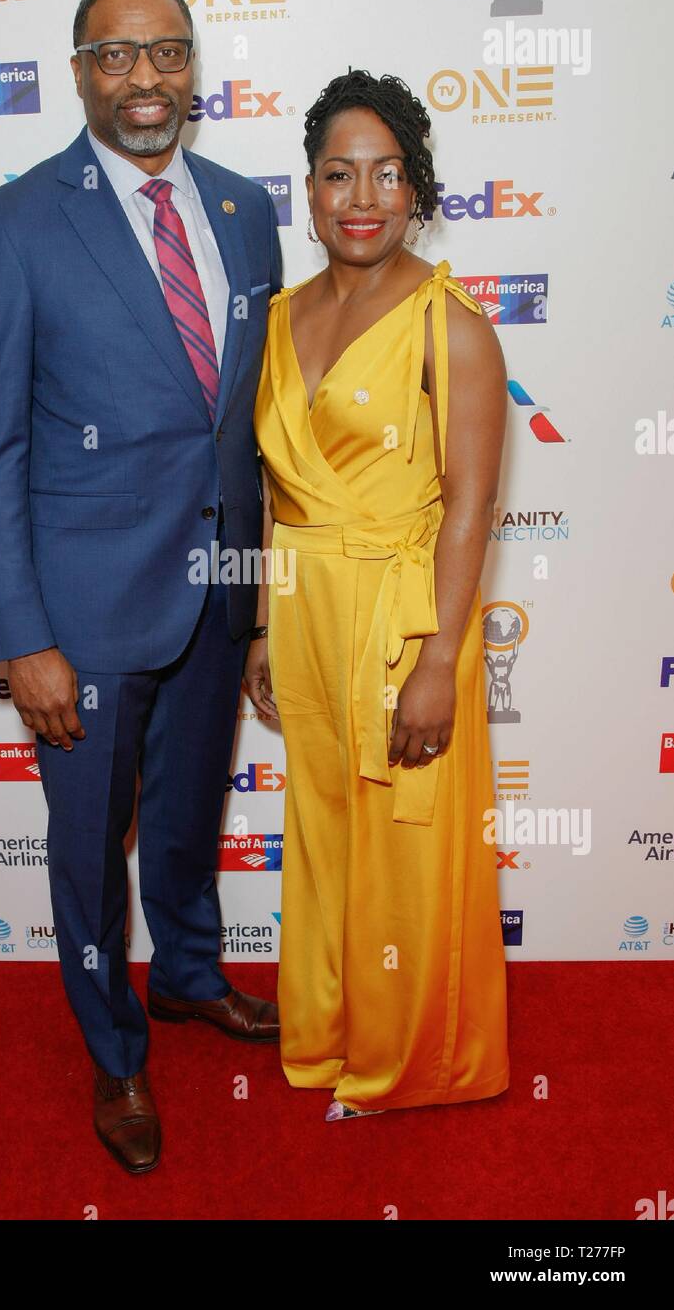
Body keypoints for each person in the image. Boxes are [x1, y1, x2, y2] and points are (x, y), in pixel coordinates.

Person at [0, 0, 283, 1175]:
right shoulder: (16, 223)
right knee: (90, 847)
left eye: (167, 52)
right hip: (81, 614)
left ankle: (190, 977)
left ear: (195, 64)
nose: (145, 77)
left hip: (215, 593)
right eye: (115, 55)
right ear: (79, 70)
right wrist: (19, 634)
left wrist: (252, 609)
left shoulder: (248, 212)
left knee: (190, 817)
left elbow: (245, 430)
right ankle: (114, 1046)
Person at [246, 70, 510, 1119]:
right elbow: (274, 492)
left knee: (405, 835)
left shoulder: (452, 327)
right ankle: (327, 1033)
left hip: (404, 618)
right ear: (306, 192)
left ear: (415, 190)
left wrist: (440, 660)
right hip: (306, 610)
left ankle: (409, 1061)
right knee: (319, 831)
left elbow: (466, 510)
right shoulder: (275, 319)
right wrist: (264, 623)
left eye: (385, 173)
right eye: (337, 173)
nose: (361, 195)